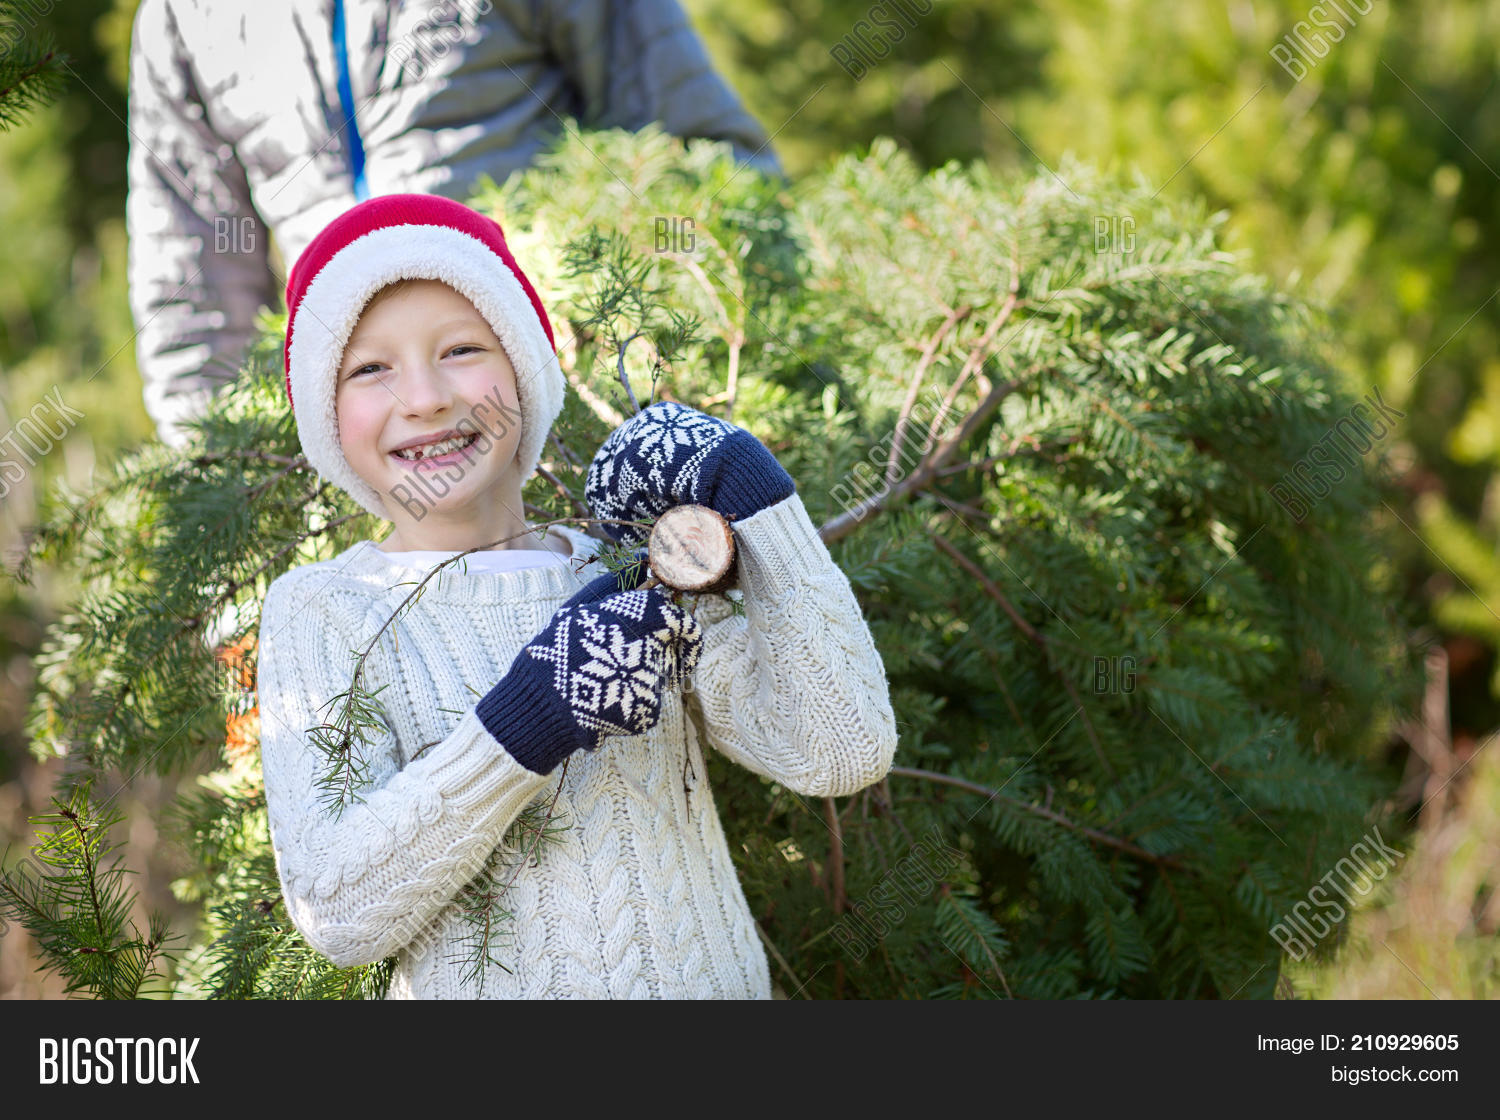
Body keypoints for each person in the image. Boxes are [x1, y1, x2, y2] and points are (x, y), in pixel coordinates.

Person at [257, 192, 897, 997]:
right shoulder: (321, 613)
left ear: (525, 372)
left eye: (460, 350)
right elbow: (339, 912)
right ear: (327, 415)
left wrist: (760, 501)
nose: (423, 397)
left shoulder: (623, 572)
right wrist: (527, 720)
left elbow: (844, 749)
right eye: (370, 368)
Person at [126, 0, 785, 451]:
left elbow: (702, 154)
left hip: (583, 412)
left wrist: (643, 353)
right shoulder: (185, 18)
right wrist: (220, 509)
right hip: (368, 460)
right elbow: (196, 299)